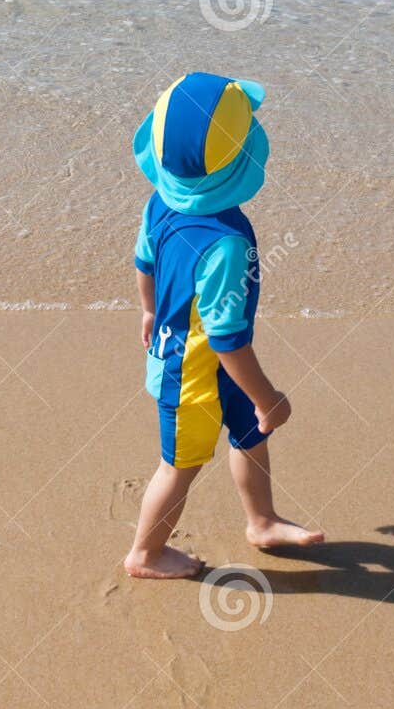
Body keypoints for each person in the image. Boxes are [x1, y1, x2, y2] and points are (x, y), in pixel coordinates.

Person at [123, 72, 323, 579]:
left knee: (249, 436)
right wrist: (268, 396)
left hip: (204, 361)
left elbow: (144, 263)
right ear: (240, 162)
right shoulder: (225, 243)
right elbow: (226, 337)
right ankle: (145, 554)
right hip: (189, 376)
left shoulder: (161, 202)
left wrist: (149, 310)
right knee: (180, 466)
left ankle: (262, 521)